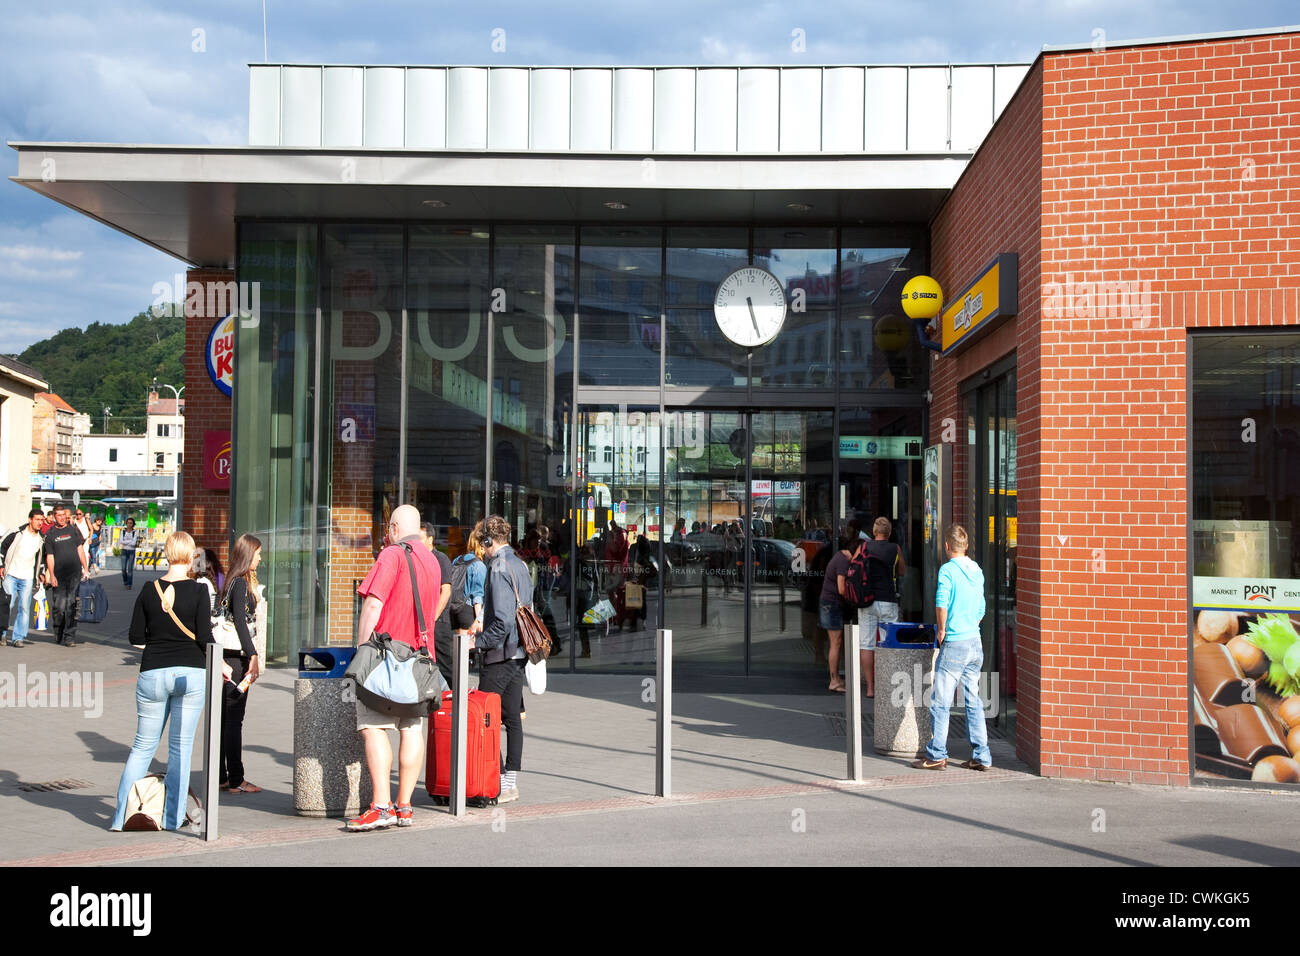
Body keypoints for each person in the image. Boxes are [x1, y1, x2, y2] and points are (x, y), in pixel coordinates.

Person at [110, 531, 214, 830]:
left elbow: (134, 637)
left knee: (142, 747)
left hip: (152, 672)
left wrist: (159, 642)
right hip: (190, 673)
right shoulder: (198, 591)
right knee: (180, 749)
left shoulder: (147, 589)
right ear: (192, 555)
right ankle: (171, 818)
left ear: (167, 553)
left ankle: (121, 817)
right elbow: (205, 638)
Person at [347, 504, 442, 831]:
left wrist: (361, 650)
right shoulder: (432, 560)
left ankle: (381, 805)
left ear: (395, 527)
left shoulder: (391, 555)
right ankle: (404, 806)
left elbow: (373, 603)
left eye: (389, 528)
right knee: (411, 728)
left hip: (385, 658)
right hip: (419, 662)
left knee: (374, 727)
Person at [913, 524, 991, 771]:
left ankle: (936, 754)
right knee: (973, 700)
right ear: (966, 546)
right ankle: (982, 755)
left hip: (956, 642)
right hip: (974, 642)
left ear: (946, 546)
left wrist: (943, 629)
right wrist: (971, 624)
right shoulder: (976, 570)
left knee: (940, 700)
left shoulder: (947, 570)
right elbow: (981, 608)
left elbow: (941, 603)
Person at [474, 513, 532, 804]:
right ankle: (510, 782)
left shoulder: (497, 567)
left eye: (481, 541)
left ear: (488, 540)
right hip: (520, 653)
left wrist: (478, 642)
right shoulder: (520, 564)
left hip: (500, 656)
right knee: (512, 718)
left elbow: (503, 621)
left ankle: (496, 780)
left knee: (486, 718)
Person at [219, 534, 264, 794]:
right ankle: (236, 779)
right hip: (236, 659)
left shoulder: (232, 582)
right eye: (257, 553)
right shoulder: (239, 584)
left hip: (230, 658)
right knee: (234, 719)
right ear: (248, 554)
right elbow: (240, 622)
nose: (260, 557)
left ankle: (224, 775)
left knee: (227, 719)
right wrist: (253, 655)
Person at [859, 517, 907, 699]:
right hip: (888, 600)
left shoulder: (864, 547)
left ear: (874, 531)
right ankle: (887, 684)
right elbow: (902, 571)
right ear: (889, 533)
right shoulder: (895, 549)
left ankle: (870, 687)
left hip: (867, 600)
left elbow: (854, 567)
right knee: (889, 644)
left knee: (866, 644)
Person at [818, 520, 863, 693]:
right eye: (861, 552)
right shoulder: (844, 561)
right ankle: (834, 680)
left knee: (837, 642)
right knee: (835, 642)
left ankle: (837, 678)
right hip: (831, 604)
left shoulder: (841, 557)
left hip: (831, 603)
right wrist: (855, 598)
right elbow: (841, 588)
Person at [45, 504, 89, 647]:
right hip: (58, 575)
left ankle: (70, 636)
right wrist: (52, 575)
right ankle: (58, 631)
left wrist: (86, 568)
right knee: (59, 606)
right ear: (54, 517)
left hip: (74, 573)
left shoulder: (73, 530)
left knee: (71, 604)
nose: (62, 518)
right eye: (59, 515)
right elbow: (50, 557)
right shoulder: (50, 534)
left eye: (64, 515)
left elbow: (80, 550)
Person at [1, 510, 46, 647]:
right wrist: (1, 565)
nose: (40, 522)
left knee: (24, 608)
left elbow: (41, 558)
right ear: (30, 519)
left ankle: (18, 638)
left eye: (42, 520)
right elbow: (2, 548)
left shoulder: (41, 539)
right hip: (11, 574)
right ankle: (2, 635)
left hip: (27, 577)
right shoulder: (17, 533)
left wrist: (41, 573)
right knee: (7, 605)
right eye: (37, 519)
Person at [420, 521, 455, 691]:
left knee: (445, 665)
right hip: (421, 622)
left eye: (420, 538)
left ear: (430, 539)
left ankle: (458, 702)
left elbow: (446, 591)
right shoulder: (416, 559)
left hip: (438, 623)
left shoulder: (441, 559)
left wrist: (432, 619)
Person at [119, 518, 141, 589]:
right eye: (128, 523)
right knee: (123, 569)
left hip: (131, 551)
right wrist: (129, 542)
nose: (129, 524)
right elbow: (121, 541)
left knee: (130, 569)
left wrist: (127, 542)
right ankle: (125, 581)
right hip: (124, 551)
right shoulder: (123, 531)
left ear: (133, 524)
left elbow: (134, 543)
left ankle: (129, 584)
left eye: (131, 523)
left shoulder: (135, 532)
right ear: (126, 523)